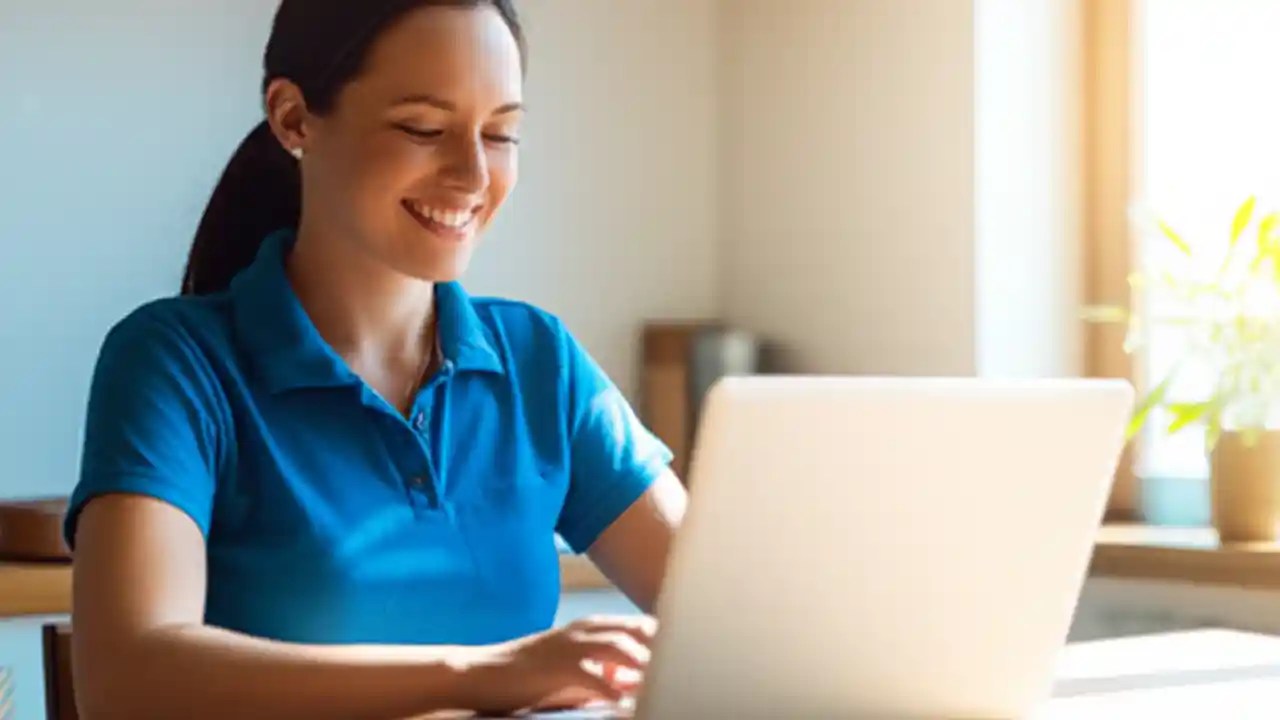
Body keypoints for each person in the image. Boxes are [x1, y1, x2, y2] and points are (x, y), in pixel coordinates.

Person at [65, 2, 688, 718]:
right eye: (424, 129)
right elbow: (128, 680)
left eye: (501, 133)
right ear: (294, 118)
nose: (473, 174)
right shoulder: (175, 363)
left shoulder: (540, 362)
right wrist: (483, 673)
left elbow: (734, 615)